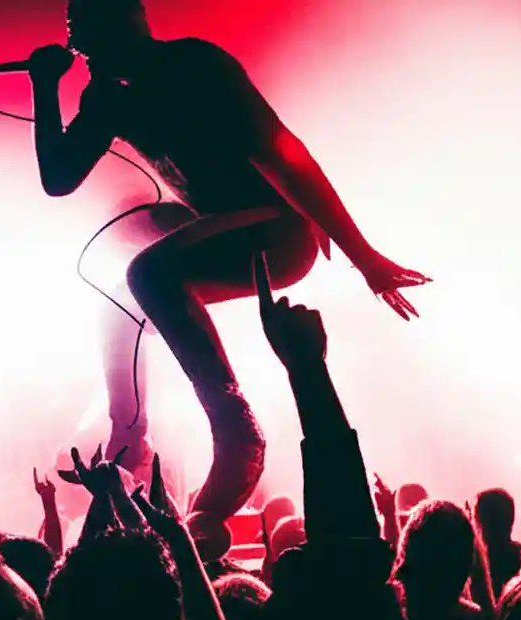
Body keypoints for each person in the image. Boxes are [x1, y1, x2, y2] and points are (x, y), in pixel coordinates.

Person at [25, 0, 428, 523]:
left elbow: (282, 153)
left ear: (126, 24)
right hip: (222, 222)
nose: (80, 51)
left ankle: (235, 430)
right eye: (76, 42)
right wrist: (43, 87)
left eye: (85, 37)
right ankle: (130, 437)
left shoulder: (195, 65)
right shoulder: (108, 99)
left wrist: (361, 253)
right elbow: (58, 178)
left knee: (147, 273)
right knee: (122, 292)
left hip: (276, 228)